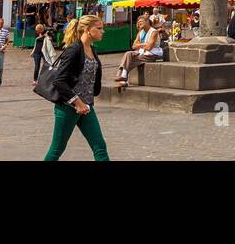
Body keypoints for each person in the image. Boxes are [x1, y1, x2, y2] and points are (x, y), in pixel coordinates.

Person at [43, 14, 110, 161]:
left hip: (86, 107)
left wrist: (84, 103)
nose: (102, 31)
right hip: (68, 107)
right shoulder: (74, 50)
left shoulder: (92, 49)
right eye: (99, 28)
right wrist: (77, 102)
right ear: (87, 29)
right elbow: (59, 81)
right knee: (57, 149)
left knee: (100, 146)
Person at [115, 15, 162, 86]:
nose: (138, 23)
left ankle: (123, 79)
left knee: (130, 60)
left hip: (151, 54)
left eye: (140, 22)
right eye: (138, 22)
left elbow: (149, 47)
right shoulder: (140, 32)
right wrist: (144, 44)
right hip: (142, 52)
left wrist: (139, 44)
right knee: (128, 53)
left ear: (147, 22)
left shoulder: (154, 32)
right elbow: (133, 46)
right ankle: (124, 77)